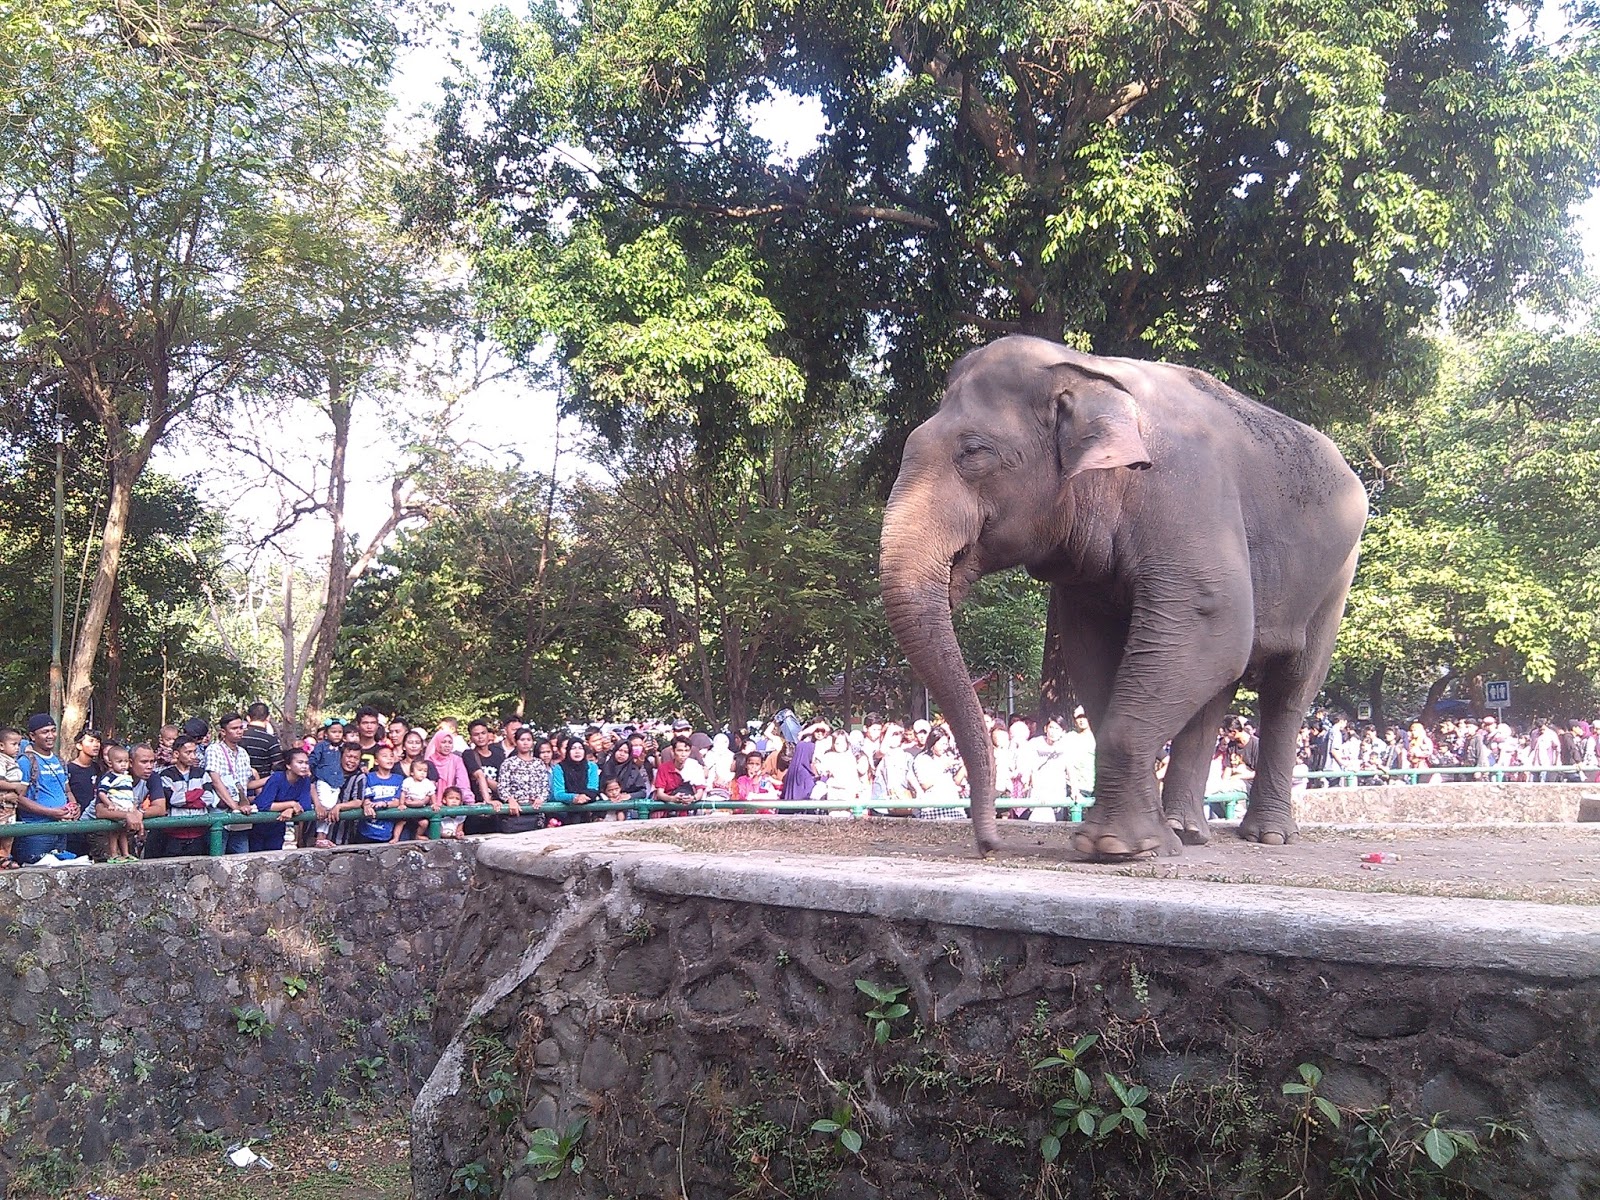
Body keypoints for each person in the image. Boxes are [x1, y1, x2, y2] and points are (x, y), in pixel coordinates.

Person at [15, 714, 79, 865]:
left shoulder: (59, 761)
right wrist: (50, 812)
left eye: (53, 730)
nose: (50, 736)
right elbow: (19, 798)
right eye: (45, 732)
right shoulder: (26, 762)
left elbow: (67, 790)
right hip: (36, 832)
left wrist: (75, 807)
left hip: (61, 829)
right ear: (32, 736)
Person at [150, 736, 214, 858]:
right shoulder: (166, 775)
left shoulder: (201, 773)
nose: (193, 756)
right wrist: (198, 793)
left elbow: (209, 798)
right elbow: (172, 799)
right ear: (176, 754)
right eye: (188, 752)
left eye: (194, 752)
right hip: (173, 835)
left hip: (199, 835)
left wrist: (184, 799)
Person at [206, 713, 259, 854]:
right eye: (234, 728)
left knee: (242, 857)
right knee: (218, 855)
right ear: (223, 732)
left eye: (241, 727)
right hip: (221, 812)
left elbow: (245, 784)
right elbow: (215, 781)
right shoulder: (214, 750)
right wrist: (234, 805)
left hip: (241, 815)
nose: (239, 731)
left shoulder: (243, 753)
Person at [253, 748, 314, 851]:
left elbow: (305, 805)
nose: (304, 766)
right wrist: (291, 804)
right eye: (300, 762)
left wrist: (291, 809)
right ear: (288, 765)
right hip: (259, 827)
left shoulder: (305, 780)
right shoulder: (277, 778)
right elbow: (263, 805)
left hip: (278, 826)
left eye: (306, 763)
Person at [93, 743, 141, 862]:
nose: (123, 765)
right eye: (119, 762)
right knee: (114, 833)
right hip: (116, 808)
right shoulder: (109, 777)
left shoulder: (127, 777)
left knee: (124, 832)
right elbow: (101, 792)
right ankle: (114, 854)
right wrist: (109, 803)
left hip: (126, 807)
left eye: (125, 761)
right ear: (110, 763)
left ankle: (125, 853)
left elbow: (128, 792)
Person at [461, 720, 507, 834]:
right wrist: (488, 800)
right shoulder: (469, 754)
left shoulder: (499, 755)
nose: (480, 737)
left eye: (483, 733)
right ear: (471, 738)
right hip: (477, 808)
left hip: (498, 808)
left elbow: (503, 784)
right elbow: (479, 775)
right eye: (476, 735)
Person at [494, 728, 544, 833]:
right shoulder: (508, 763)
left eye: (528, 740)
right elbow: (502, 786)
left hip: (536, 812)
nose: (525, 743)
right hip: (514, 814)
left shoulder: (539, 763)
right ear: (516, 742)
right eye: (522, 739)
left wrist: (541, 798)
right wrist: (510, 799)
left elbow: (545, 785)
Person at [911, 727, 967, 819]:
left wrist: (963, 766)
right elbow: (925, 784)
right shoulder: (922, 759)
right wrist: (943, 767)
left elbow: (956, 781)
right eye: (942, 744)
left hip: (954, 806)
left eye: (946, 744)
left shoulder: (949, 756)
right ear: (933, 743)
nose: (944, 747)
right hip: (934, 808)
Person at [356, 743, 405, 845]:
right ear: (377, 761)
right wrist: (367, 805)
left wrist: (385, 803)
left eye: (391, 756)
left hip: (387, 831)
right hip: (366, 830)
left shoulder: (399, 779)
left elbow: (397, 801)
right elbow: (366, 798)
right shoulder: (369, 777)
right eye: (385, 756)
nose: (389, 759)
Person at [652, 736, 706, 815]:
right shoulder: (664, 768)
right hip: (668, 809)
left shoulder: (695, 766)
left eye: (686, 751)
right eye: (680, 751)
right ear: (673, 751)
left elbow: (700, 791)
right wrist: (672, 799)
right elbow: (660, 793)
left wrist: (693, 798)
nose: (683, 754)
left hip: (690, 808)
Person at [551, 738, 601, 824]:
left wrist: (583, 796)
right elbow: (558, 794)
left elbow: (593, 789)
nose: (577, 751)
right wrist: (574, 797)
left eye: (580, 748)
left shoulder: (592, 767)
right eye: (573, 748)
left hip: (588, 810)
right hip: (565, 813)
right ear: (568, 751)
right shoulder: (559, 768)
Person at [394, 755, 440, 842]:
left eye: (425, 771)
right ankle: (395, 838)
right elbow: (403, 793)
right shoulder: (408, 781)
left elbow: (432, 794)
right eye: (419, 770)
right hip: (408, 807)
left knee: (424, 823)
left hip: (421, 808)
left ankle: (418, 835)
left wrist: (434, 803)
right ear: (412, 772)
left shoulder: (427, 783)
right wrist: (401, 804)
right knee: (401, 822)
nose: (422, 773)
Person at [240, 702, 284, 780]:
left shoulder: (239, 735)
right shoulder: (270, 739)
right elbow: (277, 764)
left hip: (238, 782)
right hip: (262, 784)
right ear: (268, 718)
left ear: (248, 718)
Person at [0, 727, 24, 868]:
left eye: (19, 744)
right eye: (13, 744)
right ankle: (2, 859)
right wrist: (14, 787)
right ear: (1, 746)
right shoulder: (2, 760)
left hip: (11, 806)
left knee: (9, 835)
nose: (17, 748)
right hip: (3, 804)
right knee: (4, 833)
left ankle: (5, 858)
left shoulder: (12, 760)